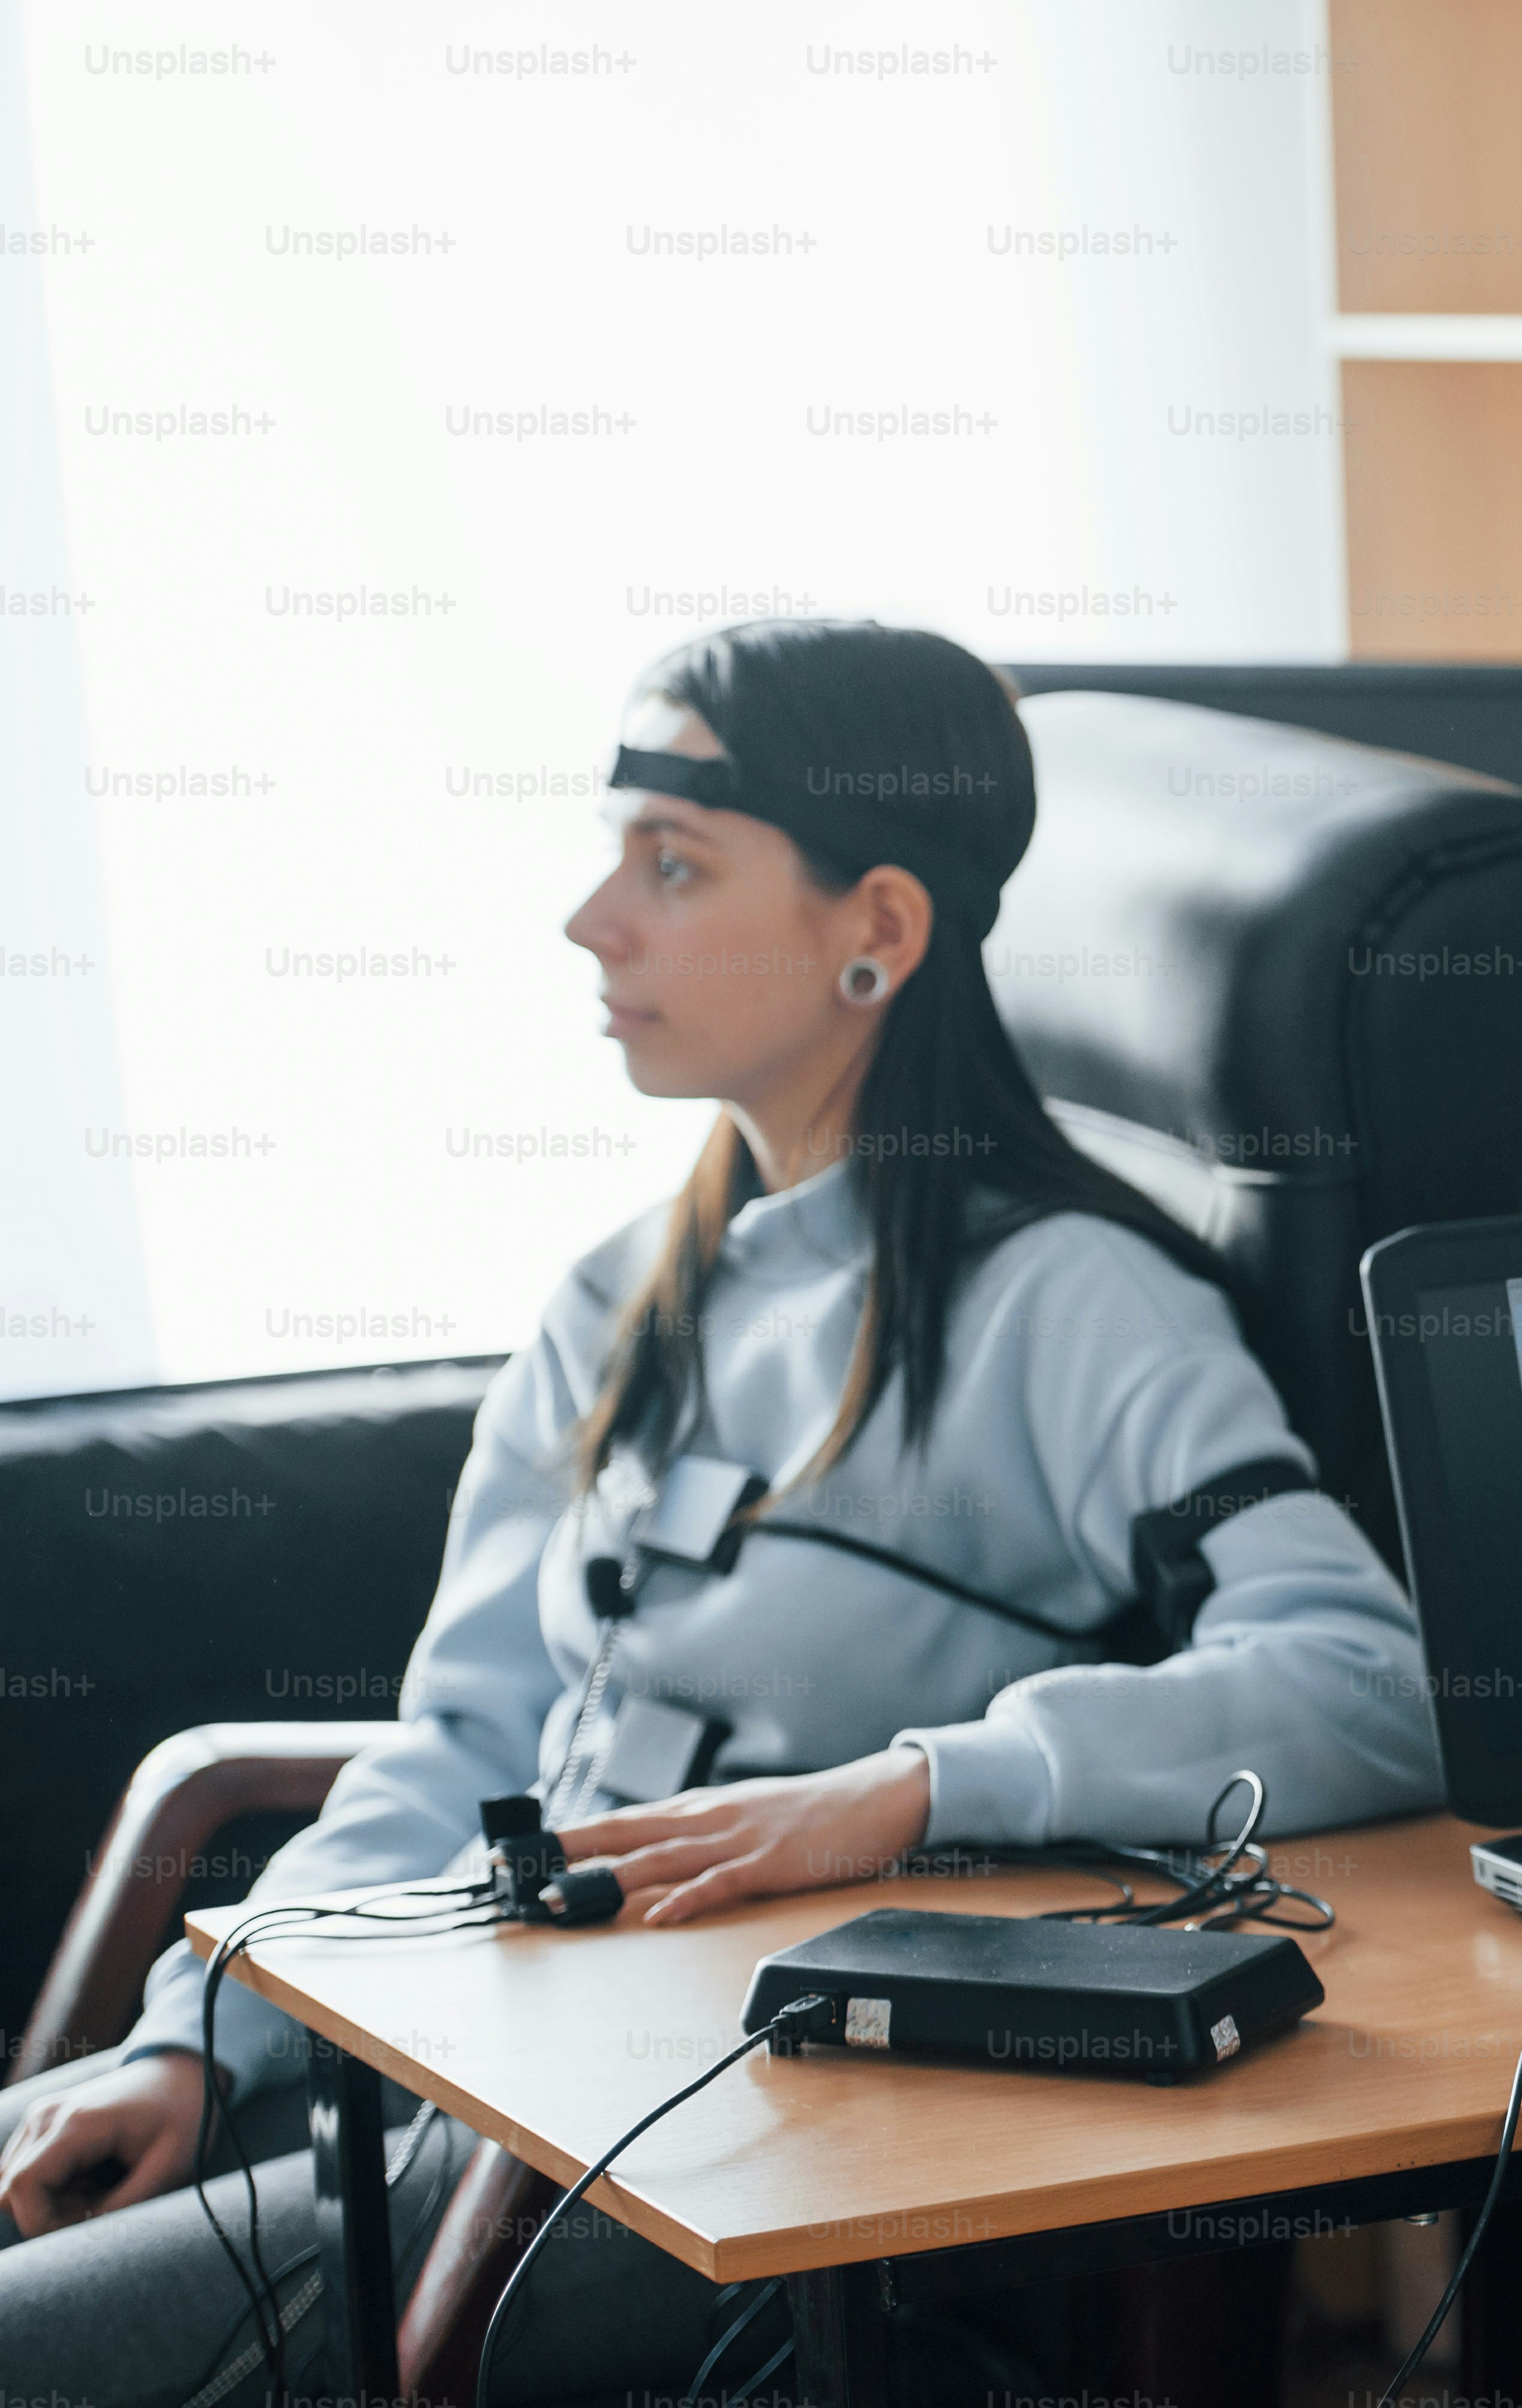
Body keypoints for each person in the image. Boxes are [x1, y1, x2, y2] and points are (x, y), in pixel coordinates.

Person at [0, 620, 1442, 2401]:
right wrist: (201, 2046)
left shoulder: (1073, 1309)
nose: (594, 921)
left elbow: (1372, 1680)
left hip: (694, 2152)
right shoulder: (623, 1294)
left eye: (671, 867)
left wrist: (920, 1784)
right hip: (450, 2053)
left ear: (881, 932)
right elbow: (463, 1738)